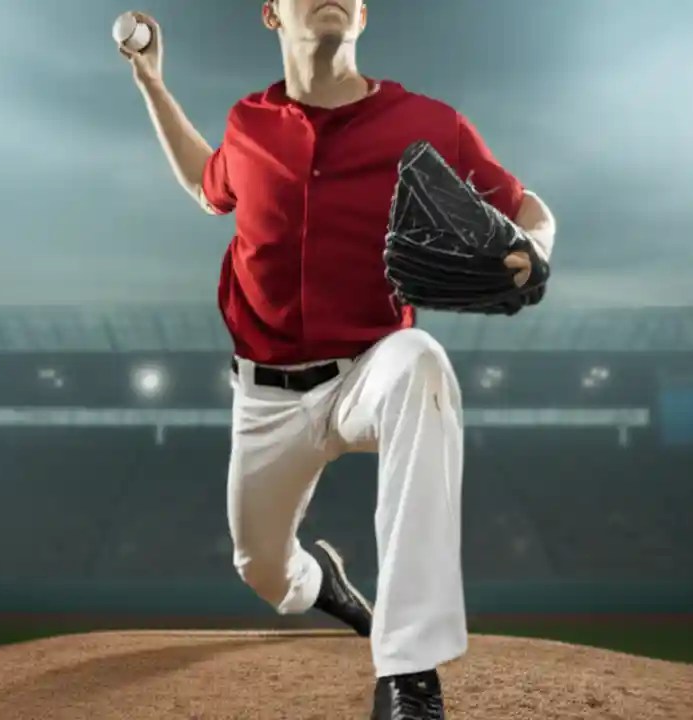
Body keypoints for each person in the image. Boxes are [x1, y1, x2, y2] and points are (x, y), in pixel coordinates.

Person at [120, 2, 556, 717]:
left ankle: (409, 673)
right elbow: (208, 189)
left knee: (422, 362)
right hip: (267, 394)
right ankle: (321, 580)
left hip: (369, 369)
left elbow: (524, 204)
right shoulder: (248, 123)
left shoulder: (427, 123)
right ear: (271, 14)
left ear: (362, 12)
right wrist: (153, 86)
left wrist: (537, 245)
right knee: (261, 568)